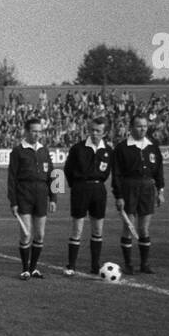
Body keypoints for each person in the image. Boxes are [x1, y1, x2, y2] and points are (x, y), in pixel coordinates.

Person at [111, 113, 164, 274]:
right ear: (131, 127)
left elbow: (159, 171)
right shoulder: (122, 147)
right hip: (129, 188)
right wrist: (118, 195)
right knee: (128, 227)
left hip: (148, 187)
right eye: (139, 126)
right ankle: (128, 264)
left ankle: (144, 264)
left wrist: (160, 191)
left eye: (145, 126)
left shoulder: (153, 145)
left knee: (144, 229)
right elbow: (117, 174)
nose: (142, 129)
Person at [7, 116, 56, 279]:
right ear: (26, 132)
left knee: (40, 234)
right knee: (26, 233)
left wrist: (54, 198)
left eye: (39, 131)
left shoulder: (44, 150)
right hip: (24, 194)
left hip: (41, 195)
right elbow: (11, 179)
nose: (37, 134)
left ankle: (34, 268)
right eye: (34, 131)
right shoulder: (17, 151)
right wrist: (13, 202)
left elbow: (54, 175)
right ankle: (25, 268)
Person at [62, 116, 110, 277]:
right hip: (81, 189)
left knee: (98, 229)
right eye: (92, 130)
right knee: (77, 229)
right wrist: (75, 186)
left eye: (98, 131)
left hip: (99, 190)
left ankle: (95, 266)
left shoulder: (108, 150)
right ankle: (71, 265)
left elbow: (108, 172)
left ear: (104, 133)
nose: (94, 133)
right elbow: (68, 169)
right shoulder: (78, 148)